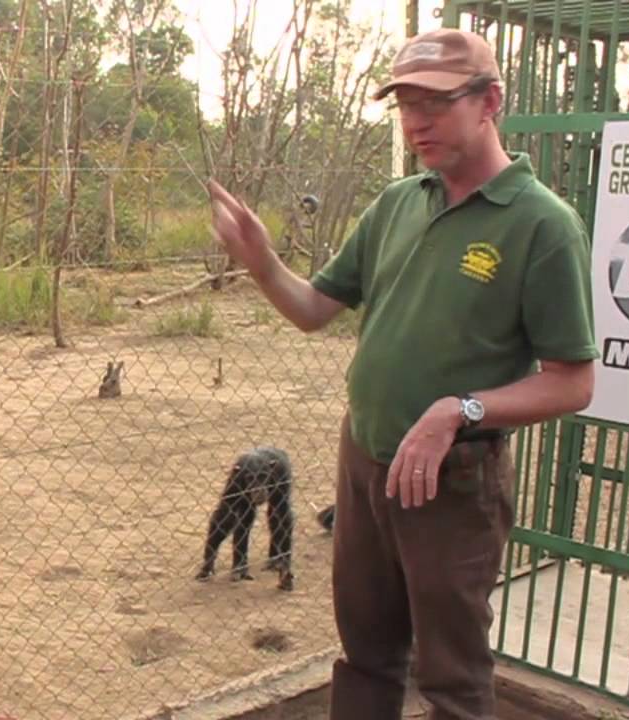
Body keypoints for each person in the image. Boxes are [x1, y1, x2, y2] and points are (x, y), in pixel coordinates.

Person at [207, 29, 596, 720]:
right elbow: (312, 310)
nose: (417, 122)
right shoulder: (397, 203)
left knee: (452, 677)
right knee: (365, 660)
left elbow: (572, 380)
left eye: (436, 104)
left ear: (489, 103)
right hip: (366, 460)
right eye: (405, 104)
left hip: (452, 481)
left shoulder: (542, 226)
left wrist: (458, 410)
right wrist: (261, 261)